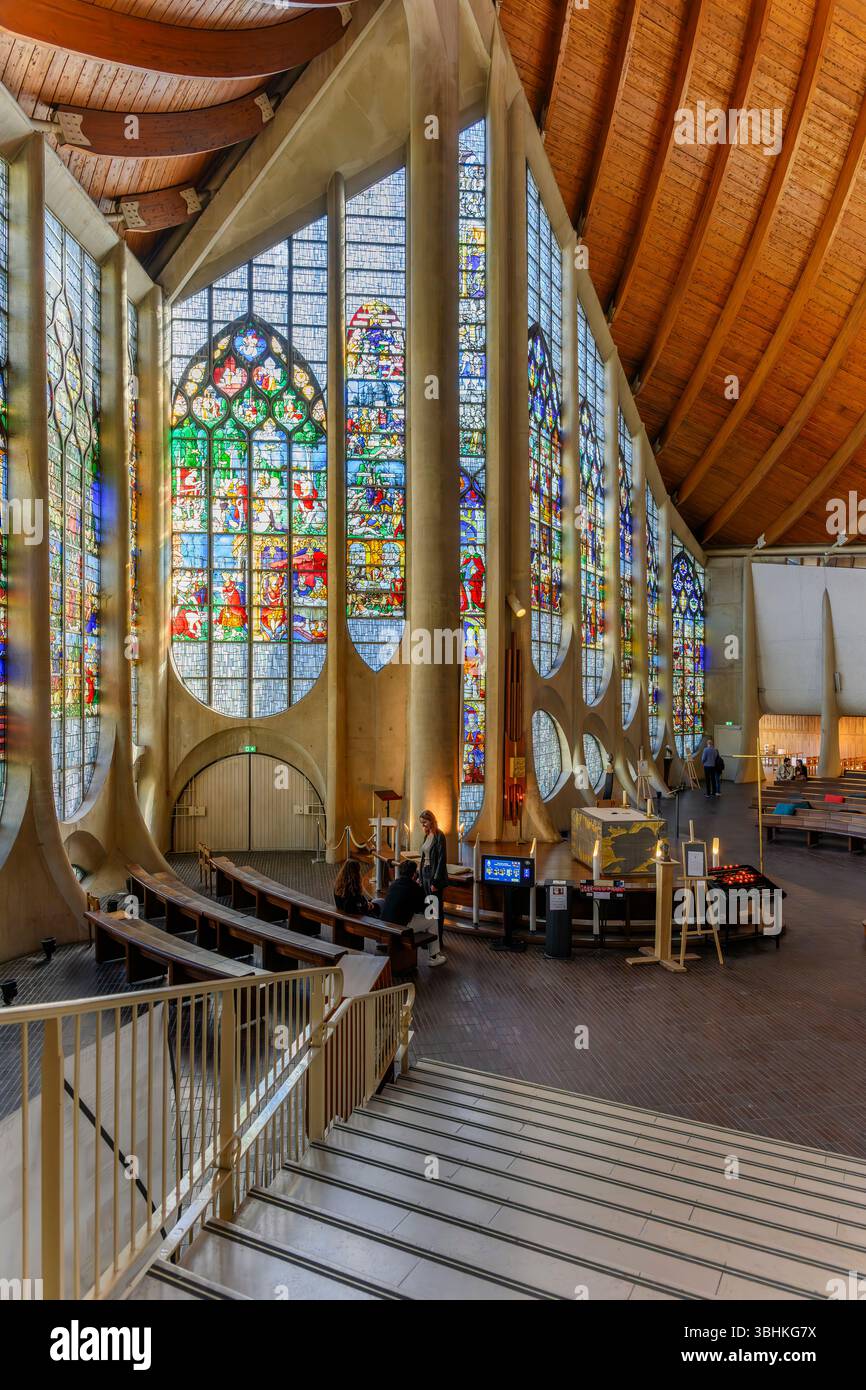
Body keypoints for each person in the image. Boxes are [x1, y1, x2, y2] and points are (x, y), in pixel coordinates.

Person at [419, 809, 448, 967]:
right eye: (421, 822)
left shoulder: (439, 836)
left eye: (424, 821)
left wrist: (435, 881)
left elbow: (442, 860)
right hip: (424, 874)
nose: (423, 825)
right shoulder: (426, 835)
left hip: (434, 875)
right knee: (427, 908)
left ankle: (438, 941)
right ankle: (429, 940)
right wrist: (419, 875)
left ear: (431, 820)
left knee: (436, 910)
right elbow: (423, 857)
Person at [381, 859, 427, 926]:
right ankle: (436, 936)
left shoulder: (393, 884)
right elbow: (421, 908)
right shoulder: (415, 887)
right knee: (433, 921)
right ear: (414, 874)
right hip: (401, 926)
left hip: (385, 922)